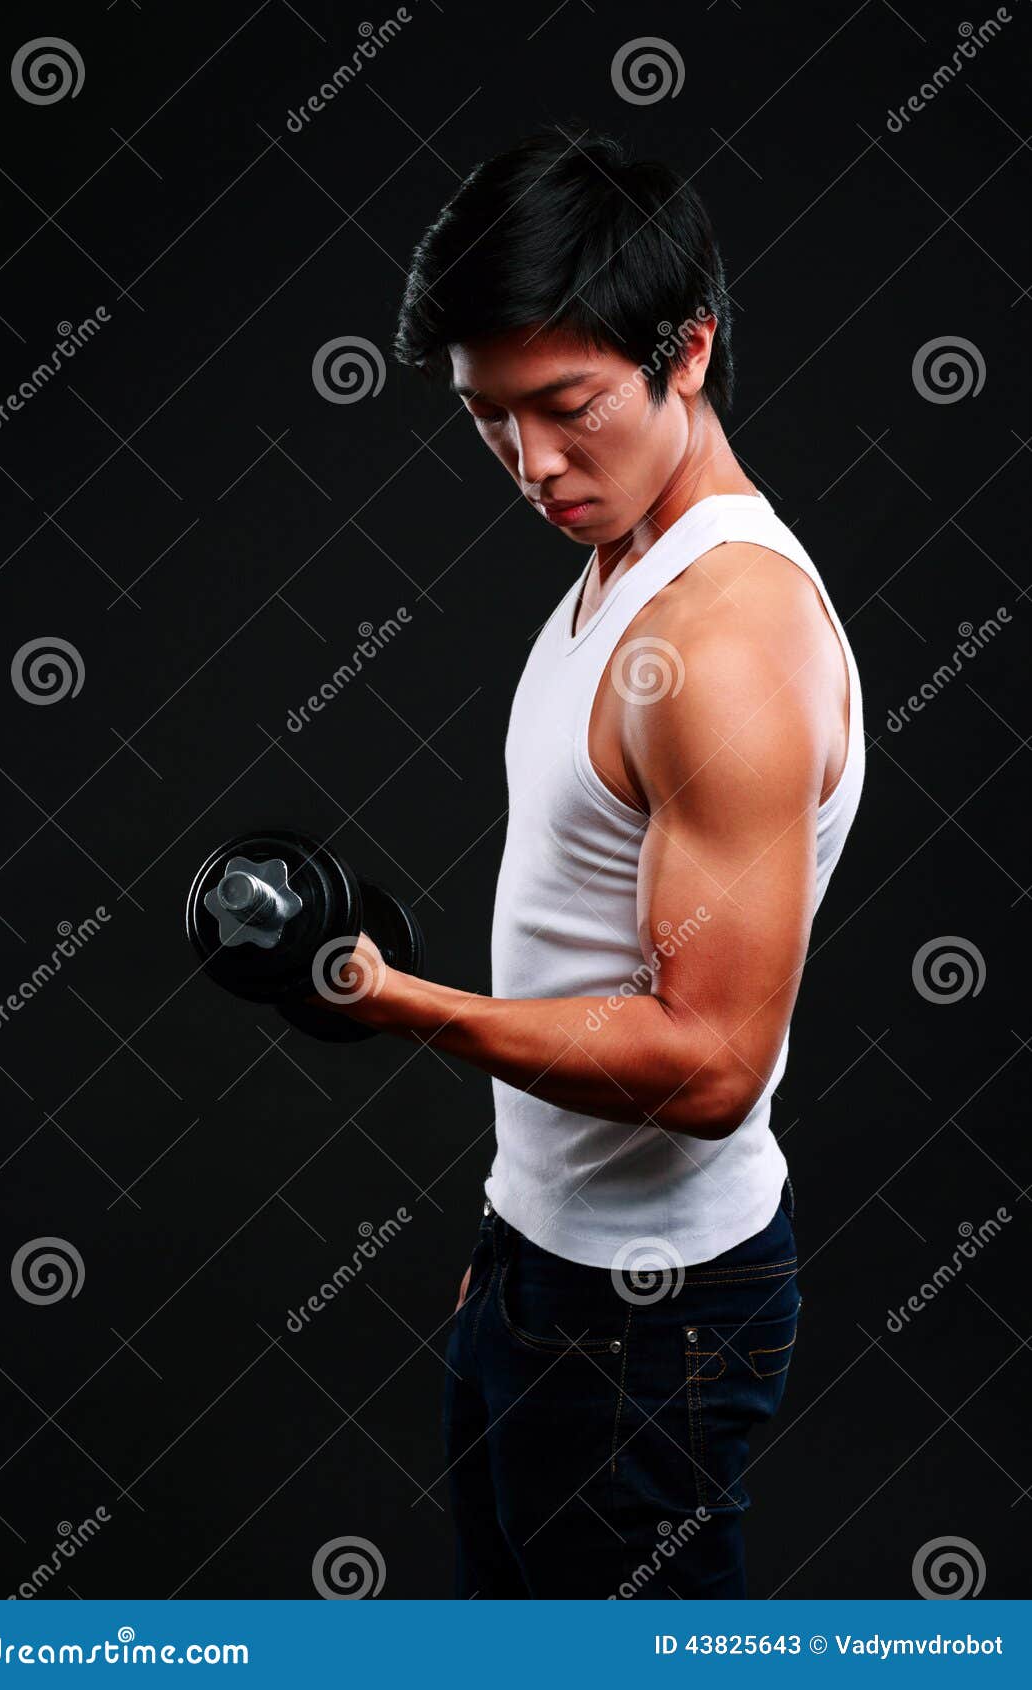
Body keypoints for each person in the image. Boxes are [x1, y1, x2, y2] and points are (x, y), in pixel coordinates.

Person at [309, 126, 865, 1597]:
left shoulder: (727, 643)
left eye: (566, 408)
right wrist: (516, 1233)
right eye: (491, 418)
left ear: (688, 354)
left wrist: (403, 1004)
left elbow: (709, 1063)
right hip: (551, 1268)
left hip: (651, 1312)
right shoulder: (621, 563)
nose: (534, 463)